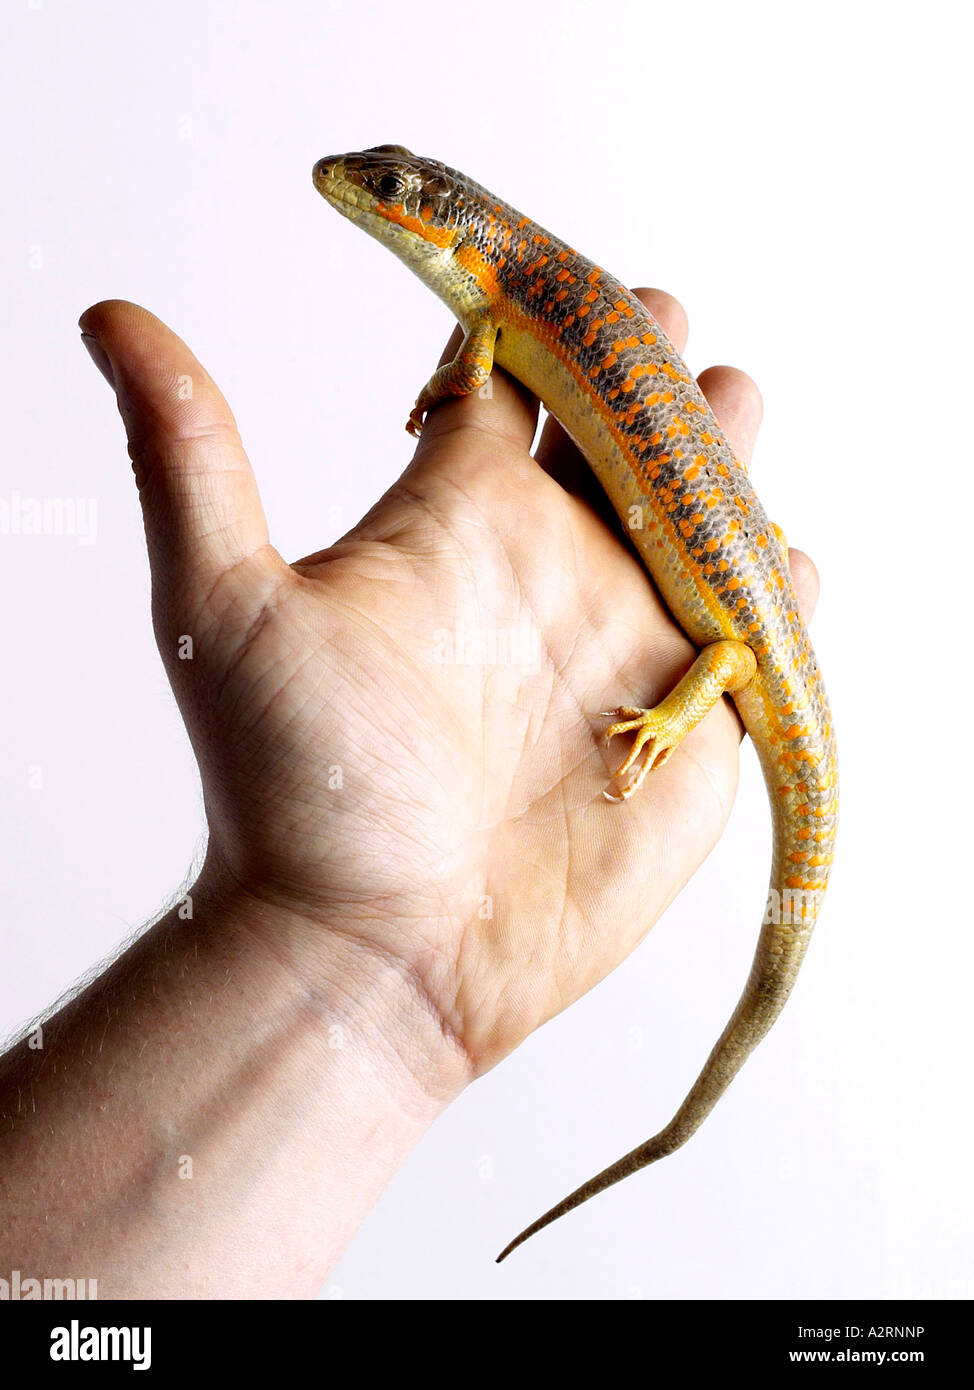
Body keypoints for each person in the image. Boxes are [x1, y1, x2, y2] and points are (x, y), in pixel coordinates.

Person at [0, 292, 818, 1298]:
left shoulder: (495, 309)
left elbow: (734, 652)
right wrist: (332, 943)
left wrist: (661, 719)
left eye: (379, 188)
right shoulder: (502, 308)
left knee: (739, 631)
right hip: (732, 626)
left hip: (743, 651)